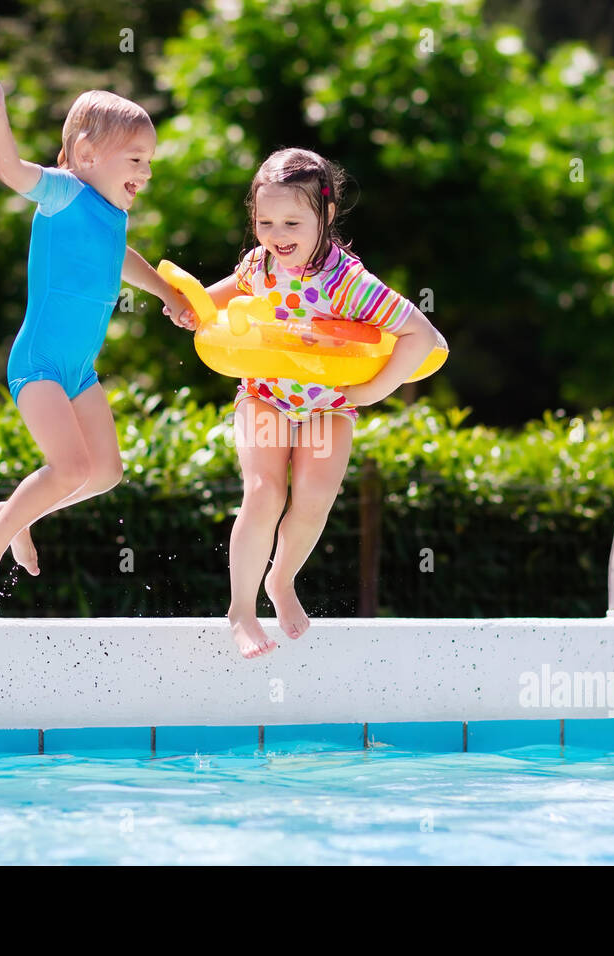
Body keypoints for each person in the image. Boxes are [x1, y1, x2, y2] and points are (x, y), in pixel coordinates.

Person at [0, 63, 194, 613]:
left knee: (106, 473)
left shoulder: (112, 215)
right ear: (87, 155)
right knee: (69, 468)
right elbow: (12, 170)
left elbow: (120, 261)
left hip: (78, 373)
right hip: (39, 364)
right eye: (137, 160)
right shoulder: (64, 192)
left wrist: (166, 292)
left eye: (149, 163)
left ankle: (13, 514)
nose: (147, 173)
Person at [193, 148, 444, 657]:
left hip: (329, 405)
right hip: (264, 394)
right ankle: (241, 611)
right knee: (264, 493)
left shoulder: (344, 282)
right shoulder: (260, 264)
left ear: (325, 216)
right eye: (264, 221)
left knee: (312, 500)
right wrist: (190, 306)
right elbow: (222, 296)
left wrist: (375, 390)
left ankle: (280, 580)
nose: (276, 234)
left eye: (291, 221)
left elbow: (423, 335)